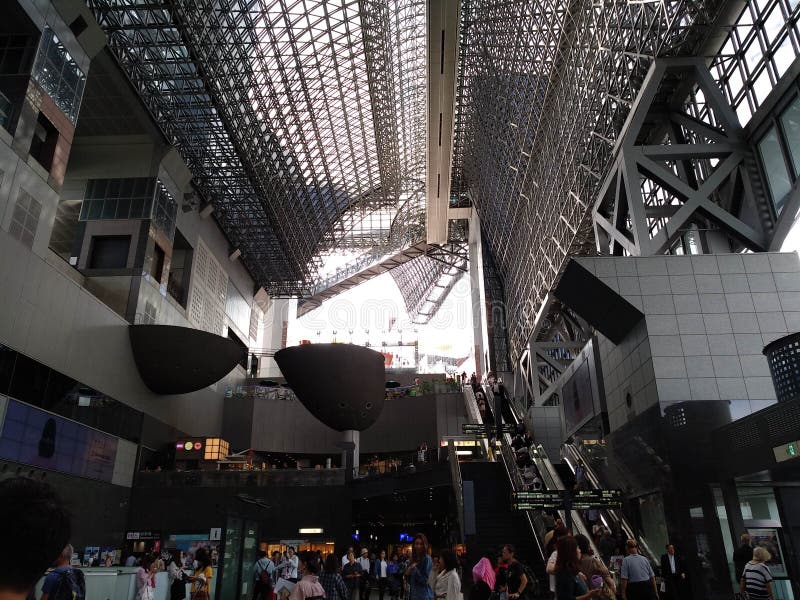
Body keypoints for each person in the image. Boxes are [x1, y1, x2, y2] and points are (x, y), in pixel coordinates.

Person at [406, 534, 433, 600]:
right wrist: (407, 574)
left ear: (425, 545)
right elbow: (410, 581)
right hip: (413, 595)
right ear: (413, 545)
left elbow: (425, 581)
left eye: (421, 544)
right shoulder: (413, 559)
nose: (418, 546)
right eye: (416, 543)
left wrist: (414, 569)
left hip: (423, 596)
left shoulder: (427, 559)